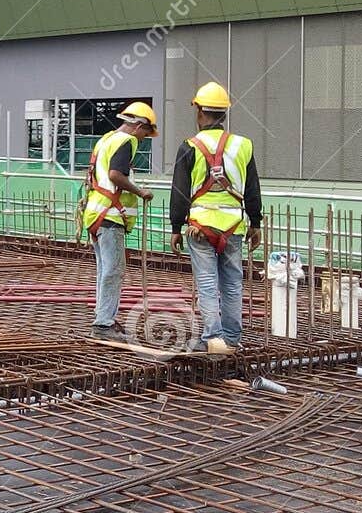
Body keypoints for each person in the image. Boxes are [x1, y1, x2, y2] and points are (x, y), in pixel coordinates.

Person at [170, 82, 262, 354]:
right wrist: (255, 223)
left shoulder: (189, 146)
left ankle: (213, 337)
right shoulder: (243, 145)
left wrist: (176, 226)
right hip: (233, 226)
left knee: (207, 283)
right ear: (224, 114)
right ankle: (232, 339)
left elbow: (179, 191)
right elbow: (253, 189)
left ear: (199, 111)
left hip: (201, 227)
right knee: (233, 282)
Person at [81, 103, 158, 341]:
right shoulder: (127, 141)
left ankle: (104, 318)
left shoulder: (106, 139)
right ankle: (103, 324)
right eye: (146, 133)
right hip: (110, 215)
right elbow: (116, 175)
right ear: (138, 126)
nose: (144, 139)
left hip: (96, 214)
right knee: (113, 270)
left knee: (105, 270)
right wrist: (140, 192)